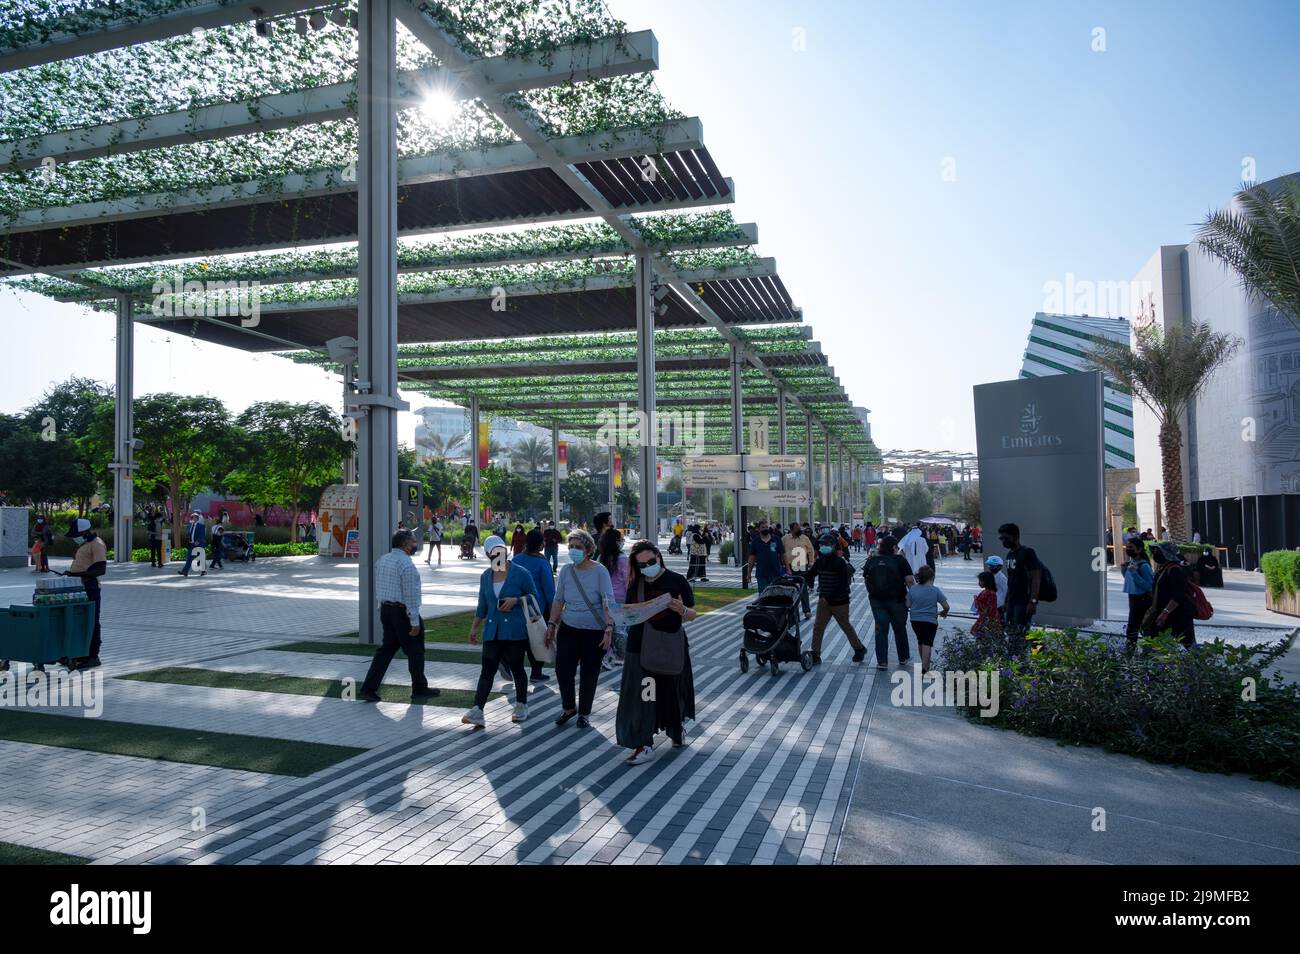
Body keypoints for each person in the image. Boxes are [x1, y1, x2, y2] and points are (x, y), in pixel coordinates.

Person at [616, 540, 697, 765]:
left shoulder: (676, 580)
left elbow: (692, 614)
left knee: (671, 692)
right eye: (642, 564)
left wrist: (682, 609)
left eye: (651, 561)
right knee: (644, 696)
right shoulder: (636, 584)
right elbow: (628, 613)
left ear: (659, 557)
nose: (647, 567)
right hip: (640, 650)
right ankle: (644, 743)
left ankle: (675, 727)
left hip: (670, 646)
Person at [463, 535, 538, 726]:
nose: (498, 556)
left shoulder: (520, 573)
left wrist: (516, 600)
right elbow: (482, 605)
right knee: (487, 670)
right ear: (488, 555)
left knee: (517, 667)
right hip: (492, 630)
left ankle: (521, 704)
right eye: (493, 554)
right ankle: (477, 710)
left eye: (501, 552)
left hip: (515, 630)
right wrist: (474, 628)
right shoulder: (486, 576)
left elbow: (535, 598)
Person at [359, 530, 441, 704]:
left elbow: (379, 587)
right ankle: (419, 687)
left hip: (386, 610)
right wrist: (414, 621)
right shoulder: (406, 565)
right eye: (413, 541)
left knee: (386, 650)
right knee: (416, 650)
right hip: (402, 612)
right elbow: (411, 595)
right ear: (404, 544)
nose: (415, 544)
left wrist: (382, 607)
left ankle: (368, 688)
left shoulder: (383, 560)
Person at [545, 529, 615, 729]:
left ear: (588, 550)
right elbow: (558, 600)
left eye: (578, 547)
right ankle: (569, 708)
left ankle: (584, 712)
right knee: (562, 669)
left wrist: (609, 627)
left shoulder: (600, 571)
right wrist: (551, 623)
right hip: (569, 628)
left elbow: (608, 601)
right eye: (571, 547)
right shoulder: (566, 570)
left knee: (589, 672)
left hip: (594, 631)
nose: (574, 550)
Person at [805, 531, 868, 664]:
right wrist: (796, 578)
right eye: (822, 544)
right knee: (818, 627)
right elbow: (810, 575)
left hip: (839, 602)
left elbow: (842, 584)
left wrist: (827, 598)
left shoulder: (839, 563)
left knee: (845, 626)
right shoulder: (820, 561)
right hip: (824, 601)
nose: (823, 547)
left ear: (833, 546)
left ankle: (859, 648)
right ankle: (815, 653)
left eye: (827, 544)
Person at [862, 536, 915, 670]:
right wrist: (913, 598)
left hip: (877, 601)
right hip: (897, 600)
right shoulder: (900, 560)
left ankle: (882, 662)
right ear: (893, 548)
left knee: (881, 629)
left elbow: (866, 579)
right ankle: (903, 657)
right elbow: (909, 581)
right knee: (899, 629)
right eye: (897, 547)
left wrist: (872, 593)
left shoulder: (872, 560)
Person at [62, 518, 107, 671]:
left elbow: (100, 570)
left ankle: (93, 656)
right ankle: (82, 653)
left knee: (92, 620)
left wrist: (77, 574)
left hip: (90, 587)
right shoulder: (86, 544)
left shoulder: (97, 544)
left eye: (77, 534)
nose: (75, 537)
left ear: (85, 532)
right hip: (79, 587)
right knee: (80, 621)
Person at [513, 528, 555, 683]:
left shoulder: (516, 559)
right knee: (536, 639)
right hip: (537, 608)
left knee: (520, 639)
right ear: (540, 545)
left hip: (517, 606)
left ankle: (510, 664)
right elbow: (550, 590)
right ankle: (536, 672)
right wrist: (553, 612)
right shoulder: (542, 563)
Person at [998, 522, 1042, 641]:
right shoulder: (1009, 554)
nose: (1003, 541)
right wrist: (1007, 600)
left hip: (1023, 602)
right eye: (1001, 538)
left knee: (1020, 635)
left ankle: (1023, 657)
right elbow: (1011, 580)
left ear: (1016, 536)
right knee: (1011, 633)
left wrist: (1033, 602)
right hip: (1012, 601)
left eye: (1006, 538)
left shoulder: (1027, 552)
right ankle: (1013, 657)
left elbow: (1036, 578)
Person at [1149, 543, 1196, 647]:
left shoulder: (1174, 570)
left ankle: (1196, 662)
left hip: (1178, 615)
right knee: (1158, 644)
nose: (1155, 554)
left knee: (1188, 644)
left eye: (1158, 551)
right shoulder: (1162, 568)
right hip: (1165, 614)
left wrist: (1165, 613)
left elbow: (1179, 595)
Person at [905, 564, 949, 675]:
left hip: (915, 620)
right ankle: (925, 666)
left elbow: (908, 605)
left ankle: (924, 663)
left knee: (921, 641)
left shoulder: (913, 589)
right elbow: (946, 606)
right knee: (927, 643)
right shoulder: (935, 590)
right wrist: (943, 613)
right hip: (930, 621)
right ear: (932, 578)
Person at [598, 527, 630, 670]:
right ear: (617, 542)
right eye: (621, 540)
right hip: (620, 600)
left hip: (604, 600)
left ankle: (608, 655)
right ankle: (620, 657)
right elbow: (627, 581)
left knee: (607, 627)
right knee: (620, 629)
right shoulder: (623, 559)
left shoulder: (601, 558)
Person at [1120, 541, 1154, 645]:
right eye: (1127, 547)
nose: (1128, 549)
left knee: (1138, 628)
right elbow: (1130, 580)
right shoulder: (1132, 563)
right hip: (1133, 598)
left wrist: (1134, 572)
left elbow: (1148, 586)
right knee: (1133, 628)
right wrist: (1124, 571)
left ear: (1139, 550)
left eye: (1131, 547)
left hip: (1142, 600)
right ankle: (1131, 652)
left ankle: (1145, 652)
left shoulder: (1144, 566)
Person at [782, 520, 815, 621]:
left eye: (799, 528)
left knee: (803, 589)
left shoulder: (805, 538)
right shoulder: (784, 539)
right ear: (791, 530)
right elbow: (781, 551)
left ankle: (807, 610)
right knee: (790, 590)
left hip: (802, 566)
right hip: (790, 567)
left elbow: (811, 550)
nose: (799, 530)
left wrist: (811, 562)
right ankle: (793, 612)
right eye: (796, 529)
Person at [747, 518, 785, 593]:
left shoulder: (776, 539)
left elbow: (783, 554)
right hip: (761, 574)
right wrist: (749, 573)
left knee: (776, 595)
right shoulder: (755, 541)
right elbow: (751, 558)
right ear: (758, 529)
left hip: (775, 573)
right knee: (763, 596)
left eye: (766, 527)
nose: (765, 529)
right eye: (763, 527)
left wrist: (787, 568)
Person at [971, 571, 1001, 638]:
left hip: (988, 620)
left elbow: (991, 609)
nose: (979, 583)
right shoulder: (986, 591)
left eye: (980, 581)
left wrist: (977, 600)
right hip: (984, 618)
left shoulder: (990, 593)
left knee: (983, 636)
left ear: (986, 581)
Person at [178, 511, 206, 577]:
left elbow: (202, 535)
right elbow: (189, 533)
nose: (193, 518)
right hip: (191, 544)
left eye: (195, 517)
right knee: (189, 558)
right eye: (193, 517)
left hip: (198, 545)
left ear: (197, 518)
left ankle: (203, 571)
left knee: (200, 558)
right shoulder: (190, 525)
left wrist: (198, 541)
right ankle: (185, 571)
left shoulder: (201, 526)